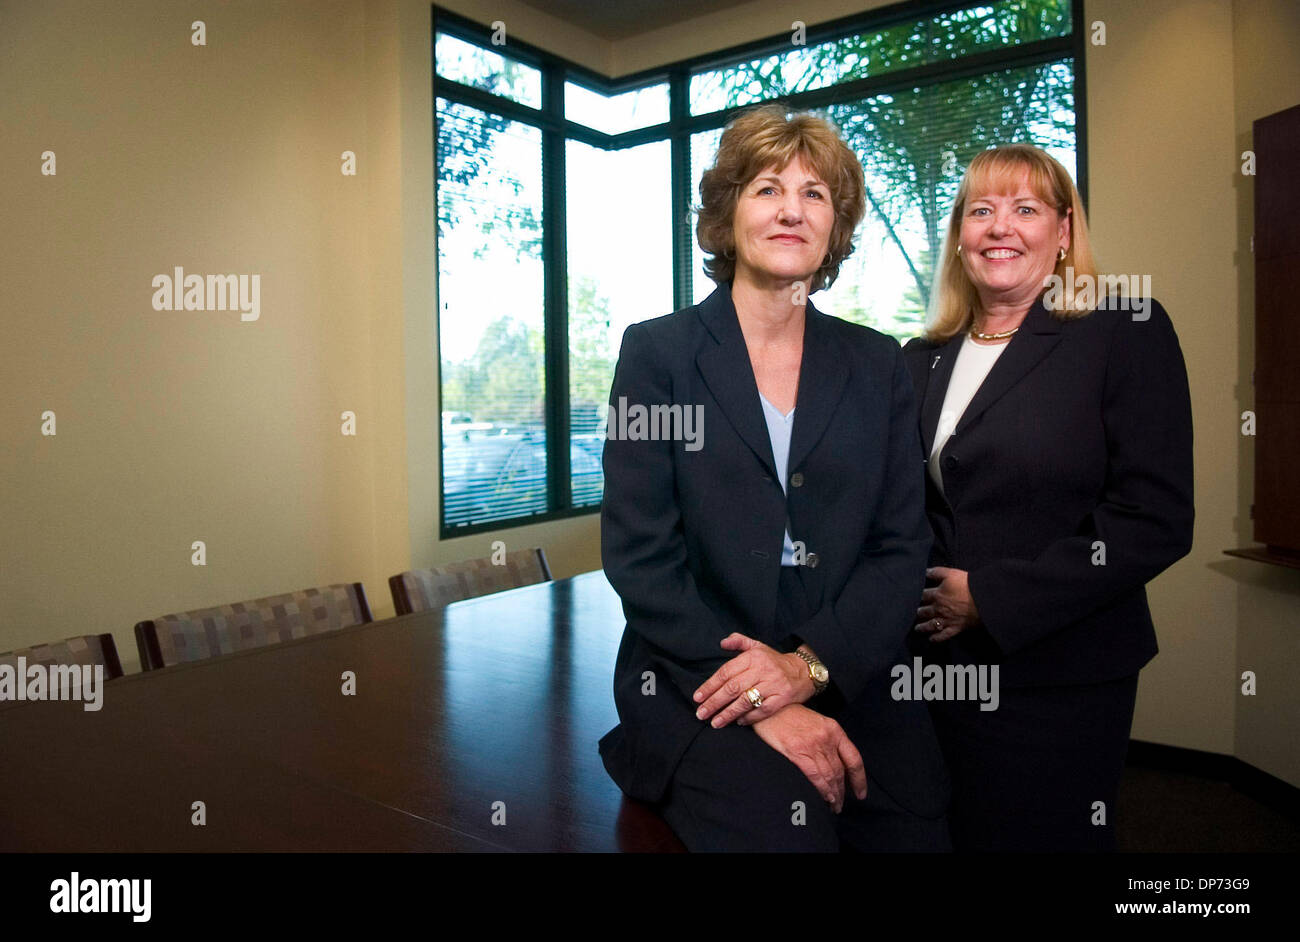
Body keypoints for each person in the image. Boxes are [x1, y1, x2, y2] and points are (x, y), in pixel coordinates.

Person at [598, 104, 949, 852]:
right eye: (766, 189)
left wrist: (808, 669)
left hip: (845, 668)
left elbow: (897, 548)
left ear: (835, 226)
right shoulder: (656, 355)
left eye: (815, 194)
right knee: (789, 836)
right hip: (696, 677)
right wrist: (766, 698)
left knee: (918, 833)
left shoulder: (877, 362)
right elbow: (640, 558)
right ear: (728, 215)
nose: (792, 209)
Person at [902, 143, 1194, 851]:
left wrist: (992, 598)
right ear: (960, 237)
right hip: (928, 672)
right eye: (981, 211)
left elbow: (1154, 519)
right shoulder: (918, 358)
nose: (1001, 227)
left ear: (1063, 232)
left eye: (1025, 209)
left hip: (1058, 676)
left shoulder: (1124, 330)